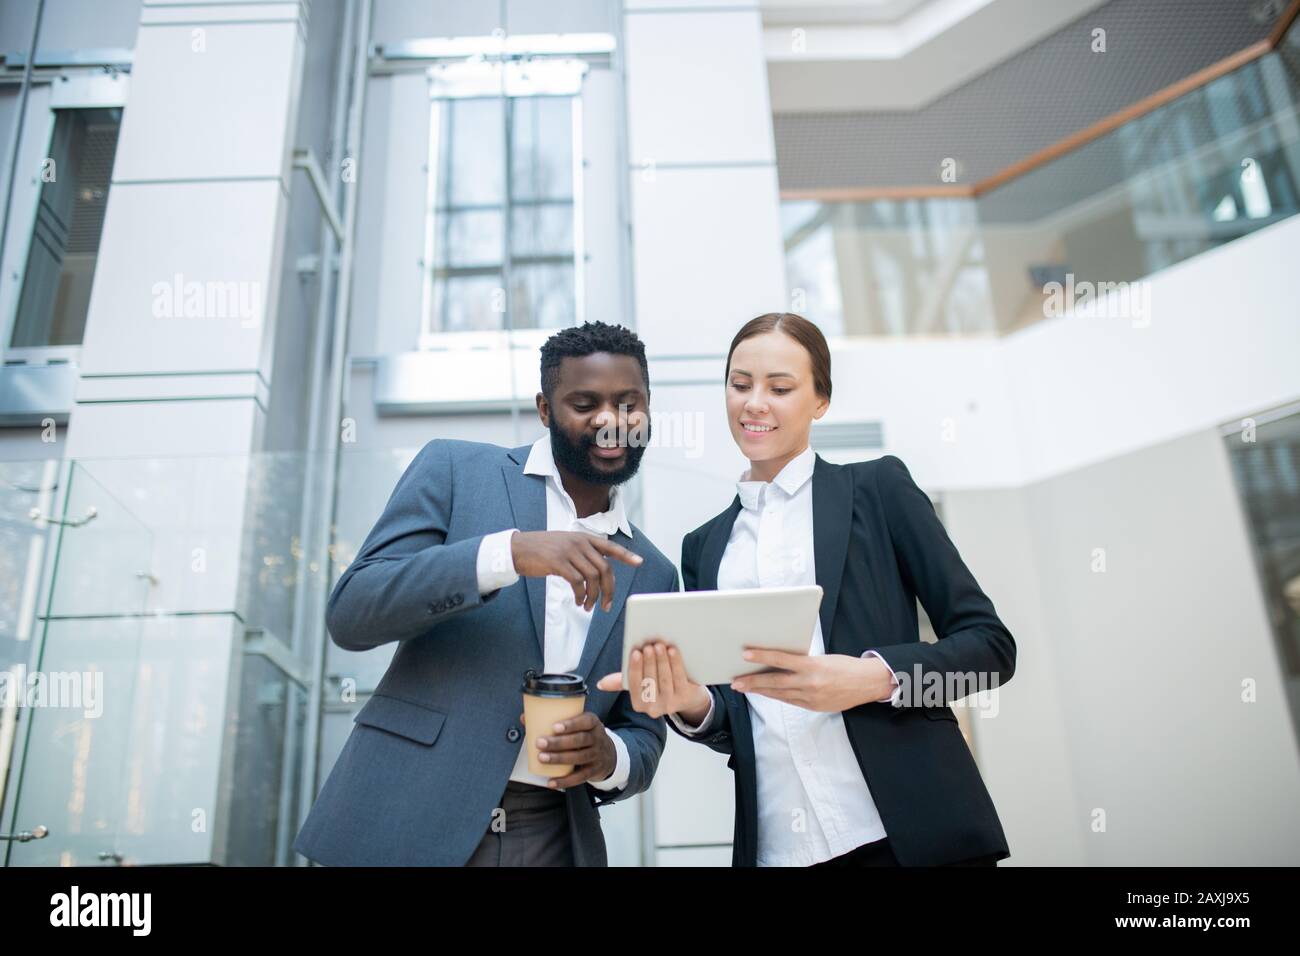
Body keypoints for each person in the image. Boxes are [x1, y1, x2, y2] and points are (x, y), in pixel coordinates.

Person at [598, 312, 1015, 866]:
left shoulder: (879, 490)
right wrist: (690, 703)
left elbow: (990, 649)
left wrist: (870, 679)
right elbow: (734, 721)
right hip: (780, 850)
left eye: (780, 387)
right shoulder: (703, 548)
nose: (754, 403)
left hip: (907, 831)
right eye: (740, 384)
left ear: (821, 400)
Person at [294, 321, 678, 866]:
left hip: (552, 834)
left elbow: (644, 736)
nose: (610, 421)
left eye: (628, 404)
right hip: (410, 812)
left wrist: (608, 756)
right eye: (585, 403)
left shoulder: (656, 572)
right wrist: (507, 555)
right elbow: (353, 613)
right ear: (545, 410)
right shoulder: (455, 469)